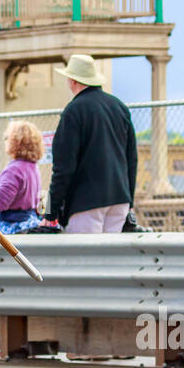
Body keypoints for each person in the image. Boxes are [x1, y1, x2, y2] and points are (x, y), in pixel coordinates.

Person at [47, 54, 137, 233]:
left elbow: (63, 169)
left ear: (72, 80)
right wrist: (129, 201)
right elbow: (131, 160)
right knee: (110, 258)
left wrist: (49, 213)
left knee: (84, 259)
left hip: (85, 202)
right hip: (120, 200)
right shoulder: (119, 107)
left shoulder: (73, 111)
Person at [0, 120, 44, 235]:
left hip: (11, 228)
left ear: (16, 142)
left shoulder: (14, 169)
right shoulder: (32, 167)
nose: (5, 141)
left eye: (7, 138)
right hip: (27, 223)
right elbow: (23, 195)